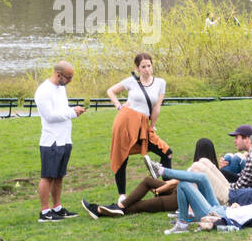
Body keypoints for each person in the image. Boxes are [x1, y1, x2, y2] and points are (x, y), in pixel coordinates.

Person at [85, 140, 227, 219]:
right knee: (147, 182)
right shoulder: (213, 171)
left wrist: (160, 190)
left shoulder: (199, 168)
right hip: (175, 191)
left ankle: (103, 209)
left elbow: (175, 182)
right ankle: (117, 207)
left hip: (178, 199)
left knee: (140, 205)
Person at [107, 52, 173, 205]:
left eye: (149, 66)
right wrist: (119, 106)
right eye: (143, 67)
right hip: (126, 121)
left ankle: (165, 190)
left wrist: (153, 126)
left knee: (166, 152)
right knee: (121, 155)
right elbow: (111, 91)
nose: (146, 69)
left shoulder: (160, 83)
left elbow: (156, 107)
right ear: (137, 68)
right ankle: (122, 195)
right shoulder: (131, 81)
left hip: (143, 124)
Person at [35, 60, 85, 222]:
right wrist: (72, 112)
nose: (70, 81)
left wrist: (73, 111)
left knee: (59, 176)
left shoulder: (60, 89)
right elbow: (49, 116)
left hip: (64, 138)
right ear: (58, 74)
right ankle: (44, 212)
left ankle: (57, 207)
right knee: (48, 176)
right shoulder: (43, 91)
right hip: (51, 141)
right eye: (68, 78)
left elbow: (62, 110)